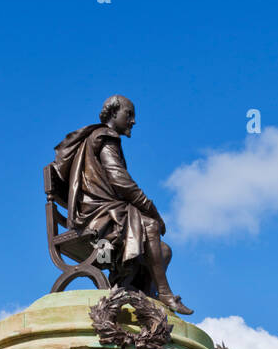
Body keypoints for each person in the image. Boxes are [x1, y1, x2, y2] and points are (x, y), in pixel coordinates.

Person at [52, 96, 193, 315]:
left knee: (163, 251)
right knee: (150, 226)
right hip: (96, 216)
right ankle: (165, 294)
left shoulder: (98, 138)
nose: (133, 121)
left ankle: (140, 298)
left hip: (102, 212)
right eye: (129, 114)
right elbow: (120, 181)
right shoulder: (106, 138)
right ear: (113, 113)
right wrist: (152, 210)